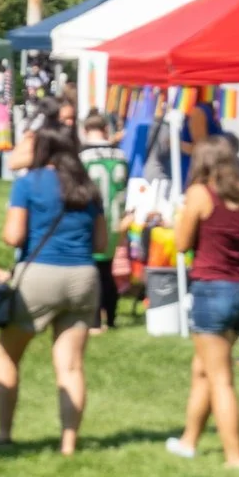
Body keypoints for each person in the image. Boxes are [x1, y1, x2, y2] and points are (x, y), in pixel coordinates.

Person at [0, 126, 108, 456]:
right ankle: (68, 444)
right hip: (83, 277)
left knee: (7, 355)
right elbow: (101, 244)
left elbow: (13, 236)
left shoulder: (29, 183)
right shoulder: (88, 187)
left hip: (39, 274)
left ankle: (4, 433)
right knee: (71, 366)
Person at [167, 134, 239, 467]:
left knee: (220, 378)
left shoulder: (199, 194)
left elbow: (181, 243)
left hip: (211, 290)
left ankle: (235, 457)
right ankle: (188, 441)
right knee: (202, 369)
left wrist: (181, 216)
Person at [79, 113, 129, 325]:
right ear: (106, 130)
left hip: (91, 217)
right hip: (115, 217)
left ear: (85, 130)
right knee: (108, 269)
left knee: (92, 270)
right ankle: (111, 318)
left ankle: (94, 319)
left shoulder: (82, 156)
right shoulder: (120, 155)